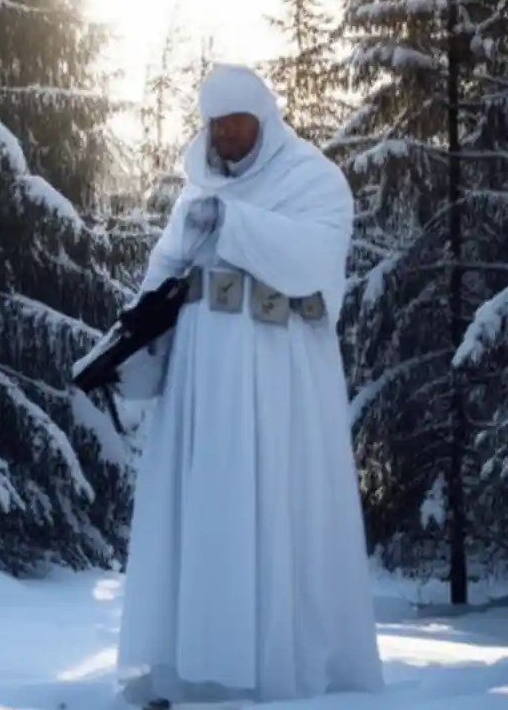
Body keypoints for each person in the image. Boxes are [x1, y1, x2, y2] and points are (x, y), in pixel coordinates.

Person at [113, 63, 385, 708]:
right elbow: (163, 274)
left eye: (239, 123)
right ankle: (194, 671)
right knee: (204, 509)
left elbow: (314, 257)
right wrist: (130, 344)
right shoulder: (196, 192)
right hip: (204, 375)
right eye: (218, 125)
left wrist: (230, 224)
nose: (228, 136)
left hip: (278, 372)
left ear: (265, 121)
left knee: (274, 506)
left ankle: (274, 670)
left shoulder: (312, 178)